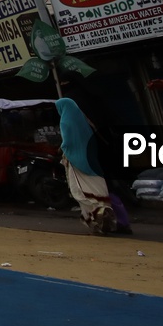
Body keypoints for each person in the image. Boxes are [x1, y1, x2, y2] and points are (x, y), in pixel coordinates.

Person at [57, 97, 118, 235]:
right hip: (91, 162)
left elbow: (67, 142)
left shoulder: (66, 122)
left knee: (78, 191)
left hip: (76, 163)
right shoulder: (83, 122)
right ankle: (101, 211)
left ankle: (96, 217)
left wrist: (61, 149)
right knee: (96, 191)